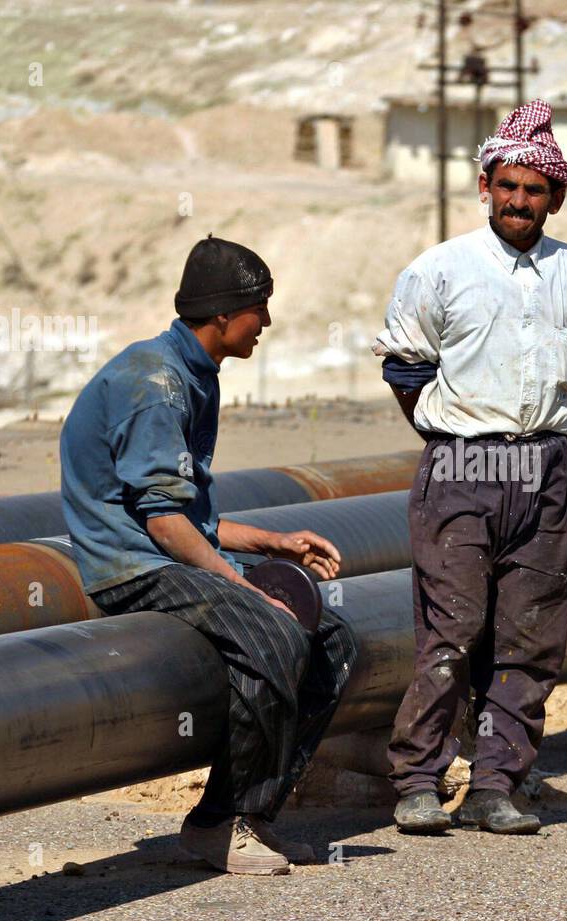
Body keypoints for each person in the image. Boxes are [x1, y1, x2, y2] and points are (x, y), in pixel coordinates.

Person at [60, 235, 356, 875]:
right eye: (261, 308)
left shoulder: (194, 375)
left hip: (167, 553)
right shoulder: (155, 383)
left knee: (333, 640)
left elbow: (193, 518)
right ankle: (218, 827)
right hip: (130, 567)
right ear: (223, 315)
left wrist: (273, 544)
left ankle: (249, 816)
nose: (267, 323)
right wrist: (243, 588)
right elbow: (164, 524)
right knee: (274, 631)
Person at [373, 100, 567, 835]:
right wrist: (461, 442)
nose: (519, 202)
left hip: (547, 467)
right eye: (508, 186)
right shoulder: (440, 269)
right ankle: (417, 777)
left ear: (555, 198)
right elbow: (407, 370)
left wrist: (524, 439)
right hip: (460, 467)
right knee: (454, 626)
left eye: (535, 191)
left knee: (531, 634)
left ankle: (497, 783)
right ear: (486, 185)